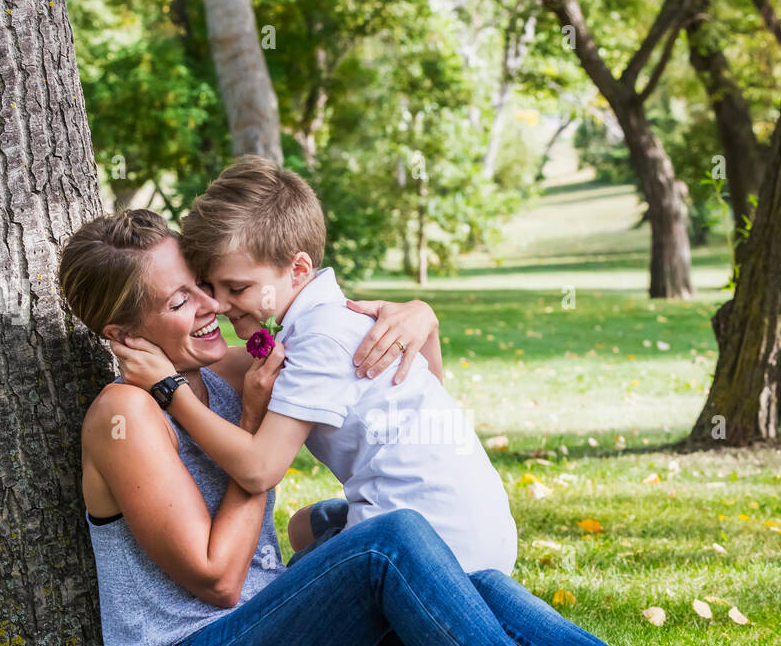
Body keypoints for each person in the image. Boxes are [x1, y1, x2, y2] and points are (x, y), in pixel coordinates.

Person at [56, 207, 781, 646]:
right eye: (180, 299)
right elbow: (218, 579)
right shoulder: (127, 414)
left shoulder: (222, 363)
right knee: (388, 541)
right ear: (125, 337)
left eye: (202, 285)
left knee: (475, 583)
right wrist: (249, 438)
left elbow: (363, 360)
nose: (209, 309)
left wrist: (420, 316)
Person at [107, 156, 518, 579]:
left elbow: (260, 469)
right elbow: (422, 391)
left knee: (307, 576)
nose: (218, 305)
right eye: (211, 287)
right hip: (484, 525)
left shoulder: (318, 339)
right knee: (304, 527)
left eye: (238, 288)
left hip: (433, 546)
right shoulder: (335, 321)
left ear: (299, 269)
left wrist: (170, 391)